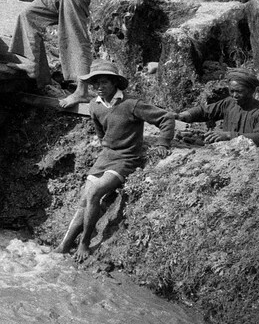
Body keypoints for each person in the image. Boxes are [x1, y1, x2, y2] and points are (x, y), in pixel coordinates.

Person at [57, 60, 174, 263]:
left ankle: (85, 242)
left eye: (104, 83)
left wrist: (163, 143)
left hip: (127, 158)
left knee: (94, 193)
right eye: (95, 84)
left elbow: (167, 118)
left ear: (115, 84)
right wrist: (106, 148)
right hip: (106, 157)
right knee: (84, 200)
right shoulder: (95, 105)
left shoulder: (132, 104)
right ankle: (64, 245)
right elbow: (101, 132)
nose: (99, 88)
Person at [171, 68, 259, 150]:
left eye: (239, 91)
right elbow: (205, 111)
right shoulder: (229, 103)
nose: (234, 95)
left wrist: (228, 135)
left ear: (251, 91)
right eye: (232, 91)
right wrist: (185, 115)